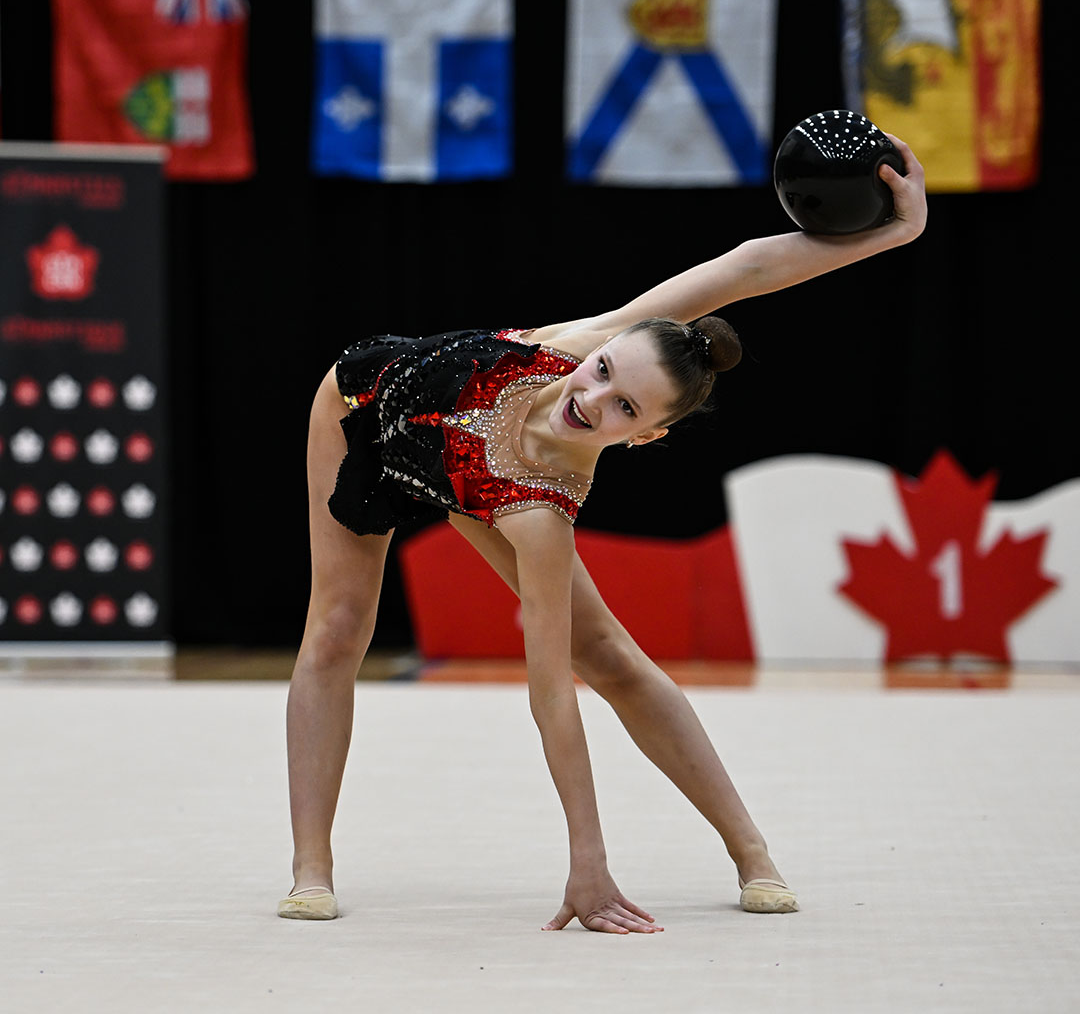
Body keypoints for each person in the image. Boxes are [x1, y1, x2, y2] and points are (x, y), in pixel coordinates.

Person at [278, 138, 927, 931]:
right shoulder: (574, 347)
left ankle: (751, 850)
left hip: (480, 486)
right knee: (337, 628)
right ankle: (312, 864)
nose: (594, 398)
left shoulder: (541, 517)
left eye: (626, 409)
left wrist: (587, 860)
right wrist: (893, 234)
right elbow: (748, 269)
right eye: (607, 372)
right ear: (606, 346)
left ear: (647, 438)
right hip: (358, 413)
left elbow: (551, 695)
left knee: (608, 655)